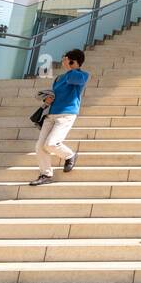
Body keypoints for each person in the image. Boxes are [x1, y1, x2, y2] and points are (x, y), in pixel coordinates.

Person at [29, 49, 89, 185]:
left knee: (51, 143)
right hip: (51, 114)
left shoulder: (82, 75)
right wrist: (47, 100)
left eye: (65, 60)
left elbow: (74, 79)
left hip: (67, 114)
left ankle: (70, 155)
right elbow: (57, 92)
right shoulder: (59, 78)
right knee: (40, 146)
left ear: (73, 61)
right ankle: (46, 174)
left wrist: (70, 67)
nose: (63, 62)